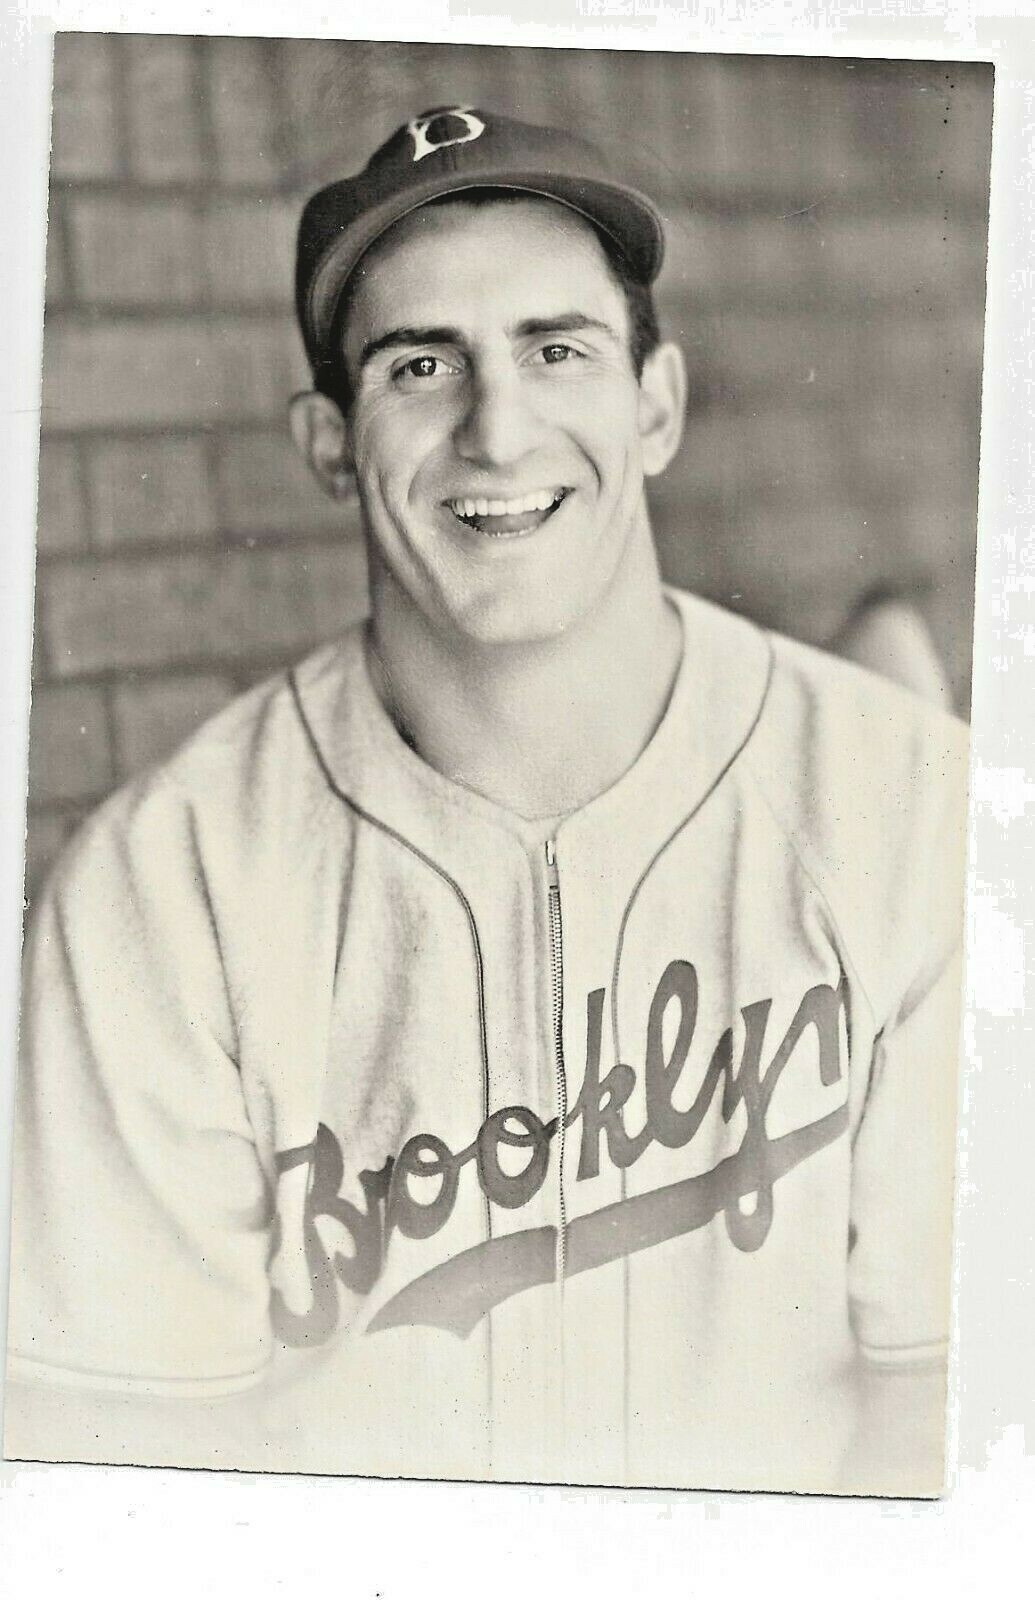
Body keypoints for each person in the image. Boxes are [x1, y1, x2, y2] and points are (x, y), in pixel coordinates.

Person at [4, 107, 969, 1496]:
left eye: (556, 349)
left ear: (656, 407)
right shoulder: (163, 896)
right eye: (419, 365)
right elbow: (129, 1487)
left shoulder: (912, 811)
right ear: (332, 444)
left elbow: (955, 1444)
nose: (496, 430)